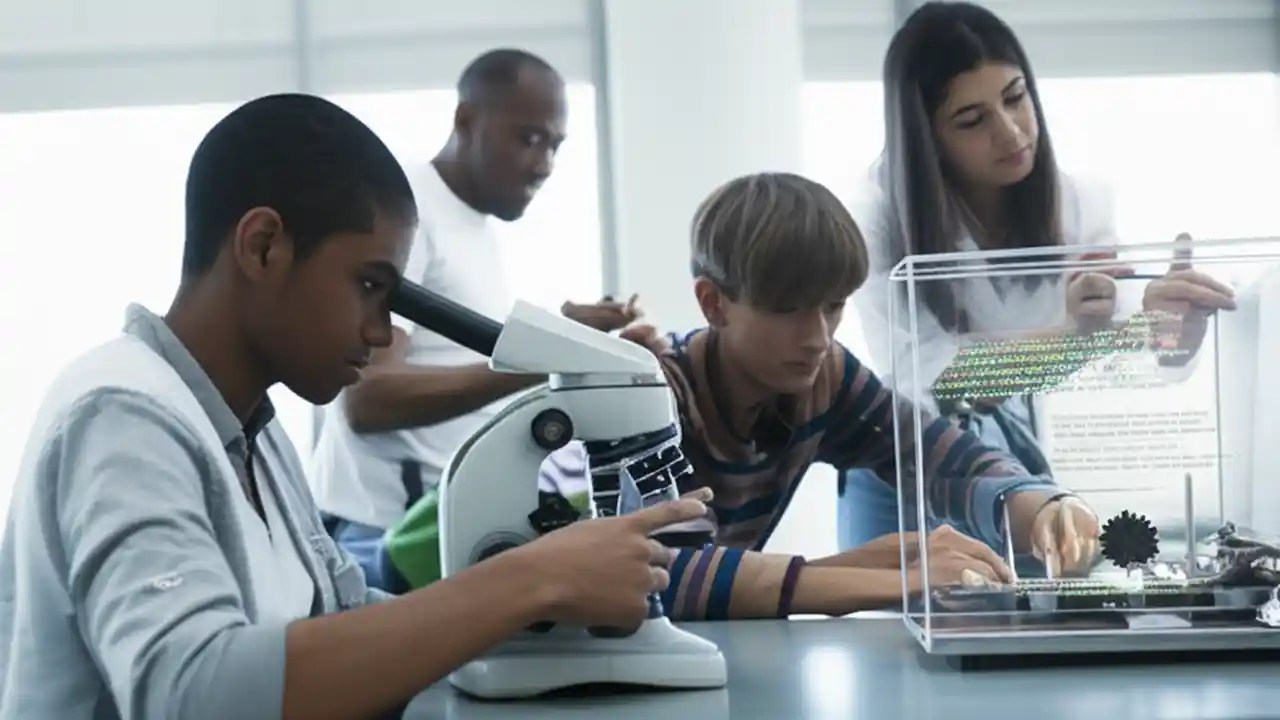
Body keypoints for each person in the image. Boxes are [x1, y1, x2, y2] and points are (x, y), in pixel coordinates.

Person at [0, 93, 707, 720]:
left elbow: (337, 611)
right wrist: (530, 579)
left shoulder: (250, 429)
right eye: (370, 285)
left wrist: (544, 616)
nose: (379, 332)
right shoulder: (122, 415)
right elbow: (192, 694)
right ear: (263, 246)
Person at [385, 171, 1104, 619]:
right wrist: (878, 578)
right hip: (445, 609)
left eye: (833, 306)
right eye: (789, 309)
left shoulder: (825, 377)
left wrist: (1037, 503)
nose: (817, 336)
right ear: (714, 303)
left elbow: (940, 455)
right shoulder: (653, 394)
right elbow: (655, 577)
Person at [838, 1, 1237, 552]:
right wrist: (1073, 339)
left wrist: (1171, 331)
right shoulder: (874, 218)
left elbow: (1130, 348)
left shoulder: (1081, 203)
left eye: (1015, 97)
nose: (1011, 133)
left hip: (1016, 462)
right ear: (926, 138)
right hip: (903, 463)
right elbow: (935, 380)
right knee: (898, 606)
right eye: (972, 120)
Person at [308, 48, 639, 590]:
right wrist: (545, 359)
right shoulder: (410, 210)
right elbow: (369, 398)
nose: (544, 164)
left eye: (555, 145)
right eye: (528, 138)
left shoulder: (472, 225)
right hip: (386, 541)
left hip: (435, 531)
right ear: (466, 121)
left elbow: (455, 358)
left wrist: (564, 331)